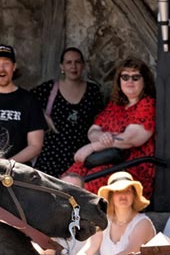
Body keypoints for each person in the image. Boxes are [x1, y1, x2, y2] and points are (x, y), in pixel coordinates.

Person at [64, 57, 156, 198]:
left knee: (90, 184)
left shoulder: (147, 104)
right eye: (125, 77)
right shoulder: (115, 106)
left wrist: (93, 147)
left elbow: (130, 139)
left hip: (131, 168)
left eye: (135, 77)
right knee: (67, 181)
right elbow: (92, 131)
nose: (130, 81)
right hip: (105, 161)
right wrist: (102, 136)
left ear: (145, 81)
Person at [68, 171, 155, 255]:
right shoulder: (105, 222)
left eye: (127, 191)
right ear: (111, 196)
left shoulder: (143, 223)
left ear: (134, 196)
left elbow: (129, 253)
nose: (123, 196)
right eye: (118, 191)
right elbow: (89, 248)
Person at [32, 47, 103, 179]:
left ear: (83, 65)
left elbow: (101, 119)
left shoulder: (93, 91)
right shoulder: (49, 88)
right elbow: (27, 102)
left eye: (77, 62)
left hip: (81, 156)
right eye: (69, 62)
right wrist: (44, 118)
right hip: (51, 157)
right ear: (62, 67)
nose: (73, 66)